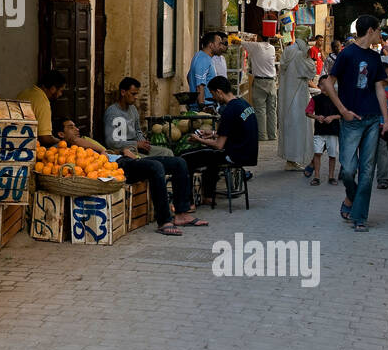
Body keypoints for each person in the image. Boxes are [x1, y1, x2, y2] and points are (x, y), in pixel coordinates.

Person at [59, 119, 205, 235]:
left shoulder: (84, 139)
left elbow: (107, 150)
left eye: (75, 126)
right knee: (156, 167)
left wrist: (122, 151)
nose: (76, 129)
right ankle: (164, 221)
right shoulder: (64, 147)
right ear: (61, 134)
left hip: (125, 160)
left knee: (179, 163)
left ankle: (181, 213)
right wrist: (105, 151)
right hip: (118, 168)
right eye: (71, 127)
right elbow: (91, 147)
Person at [322, 15, 388, 231]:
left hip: (372, 120)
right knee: (348, 170)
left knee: (366, 171)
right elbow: (328, 83)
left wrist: (387, 122)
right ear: (371, 30)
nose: (379, 35)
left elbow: (379, 88)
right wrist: (342, 110)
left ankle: (360, 216)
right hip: (351, 121)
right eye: (378, 31)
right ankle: (350, 197)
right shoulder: (347, 54)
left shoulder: (375, 57)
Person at [182, 77, 259, 209]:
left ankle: (187, 203)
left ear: (218, 92)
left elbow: (219, 145)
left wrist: (199, 139)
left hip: (236, 155)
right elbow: (235, 131)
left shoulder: (228, 110)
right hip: (248, 153)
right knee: (212, 158)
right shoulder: (244, 104)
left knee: (186, 159)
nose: (214, 97)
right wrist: (211, 134)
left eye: (212, 94)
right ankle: (208, 196)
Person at [104, 77, 173, 158]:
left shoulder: (133, 109)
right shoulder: (112, 112)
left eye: (137, 94)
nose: (136, 97)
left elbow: (137, 131)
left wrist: (143, 143)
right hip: (123, 151)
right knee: (151, 162)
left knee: (167, 153)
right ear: (123, 92)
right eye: (133, 94)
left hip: (137, 147)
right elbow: (111, 143)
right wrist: (136, 144)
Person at [278, 35, 316, 170]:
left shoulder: (288, 50)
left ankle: (291, 159)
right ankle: (292, 160)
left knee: (289, 126)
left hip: (287, 94)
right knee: (297, 126)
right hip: (298, 96)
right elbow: (311, 71)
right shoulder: (300, 54)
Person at [305, 74, 340, 185]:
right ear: (319, 86)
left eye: (327, 84)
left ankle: (331, 176)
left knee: (332, 155)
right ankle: (317, 177)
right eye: (322, 84)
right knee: (317, 153)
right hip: (319, 131)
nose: (325, 87)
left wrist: (332, 117)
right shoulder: (316, 99)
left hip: (333, 131)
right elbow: (308, 112)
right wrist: (317, 117)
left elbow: (342, 114)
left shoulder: (336, 99)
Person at [243, 36, 279, 141]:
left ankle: (262, 136)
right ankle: (273, 135)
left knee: (260, 110)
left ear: (259, 38)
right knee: (272, 110)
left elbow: (239, 42)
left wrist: (251, 41)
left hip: (260, 81)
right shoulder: (272, 48)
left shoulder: (256, 46)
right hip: (271, 81)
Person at [17, 71, 66, 148]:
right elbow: (45, 138)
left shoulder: (24, 93)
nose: (60, 94)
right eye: (61, 91)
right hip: (28, 145)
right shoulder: (42, 101)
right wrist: (62, 142)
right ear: (53, 89)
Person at [188, 32, 225, 105]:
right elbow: (199, 86)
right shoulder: (203, 59)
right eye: (219, 44)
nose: (221, 47)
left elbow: (188, 76)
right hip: (205, 106)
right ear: (211, 45)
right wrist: (202, 106)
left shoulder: (203, 57)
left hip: (209, 103)